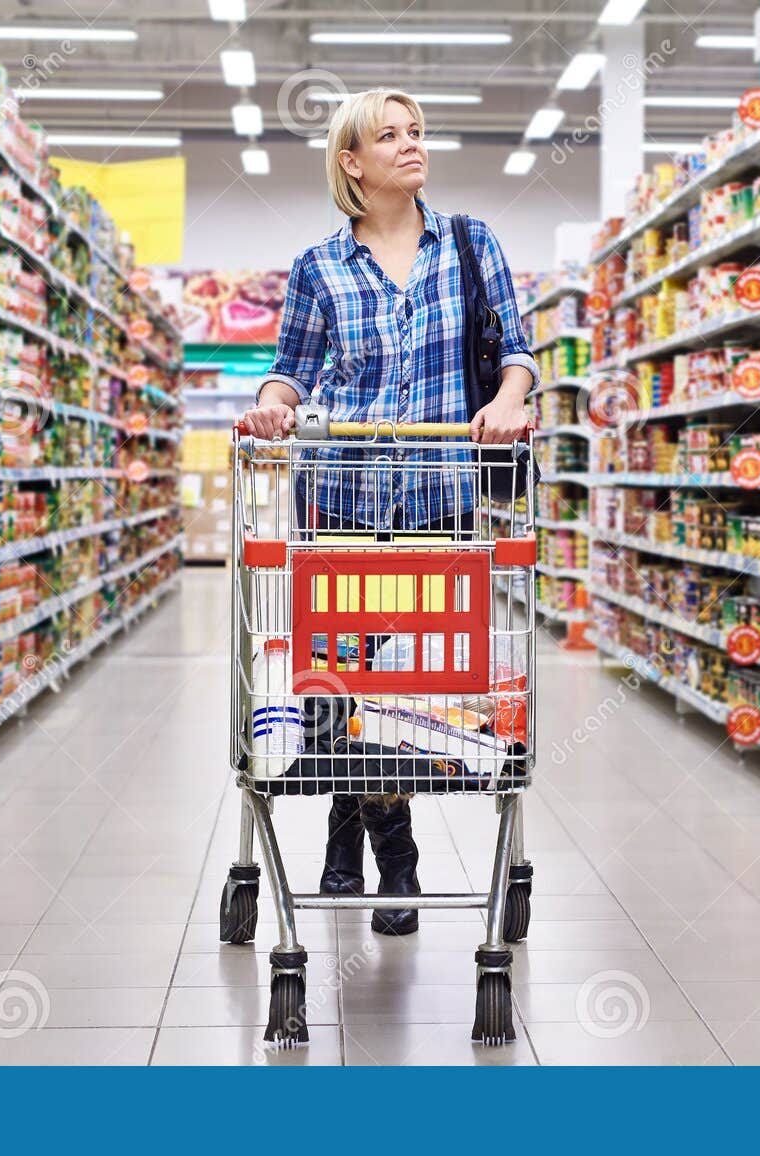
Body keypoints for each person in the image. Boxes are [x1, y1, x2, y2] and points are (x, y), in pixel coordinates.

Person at [239, 88, 538, 935]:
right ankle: (390, 846)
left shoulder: (473, 246)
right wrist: (269, 408)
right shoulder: (318, 267)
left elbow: (516, 352)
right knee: (336, 692)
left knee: (408, 693)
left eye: (417, 132)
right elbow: (291, 372)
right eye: (389, 135)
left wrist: (513, 398)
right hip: (337, 507)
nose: (411, 146)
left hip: (439, 515)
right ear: (351, 161)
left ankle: (360, 842)